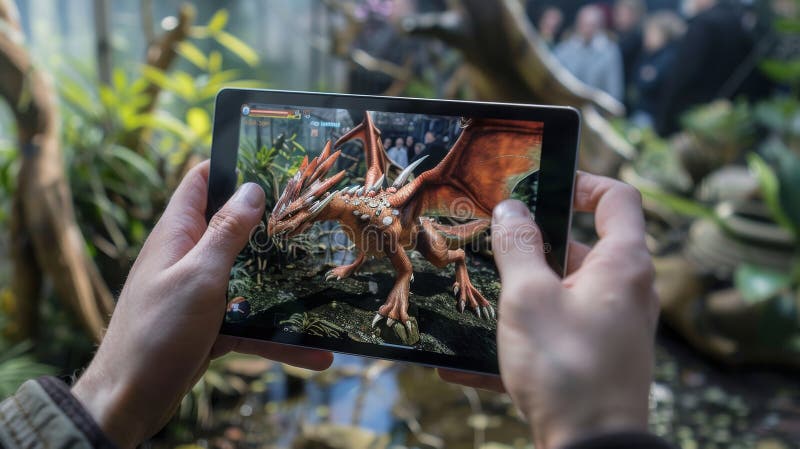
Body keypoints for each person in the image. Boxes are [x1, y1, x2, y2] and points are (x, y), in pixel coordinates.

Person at [0, 162, 668, 449]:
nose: (328, 212)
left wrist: (107, 399)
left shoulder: (377, 213)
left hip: (423, 238)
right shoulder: (346, 211)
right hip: (377, 231)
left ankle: (465, 267)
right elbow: (354, 234)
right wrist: (601, 425)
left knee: (442, 254)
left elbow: (400, 254)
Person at [654, 0, 759, 136]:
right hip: (719, 120)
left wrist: (663, 121)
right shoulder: (741, 25)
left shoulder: (705, 23)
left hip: (686, 116)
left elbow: (683, 74)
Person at [554, 5, 624, 101]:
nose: (587, 29)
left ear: (599, 27)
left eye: (592, 25)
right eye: (584, 24)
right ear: (577, 25)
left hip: (597, 109)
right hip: (567, 104)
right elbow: (555, 83)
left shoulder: (610, 52)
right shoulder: (563, 49)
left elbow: (614, 91)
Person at [630, 12, 686, 128]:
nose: (647, 37)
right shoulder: (649, 55)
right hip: (641, 111)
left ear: (664, 35)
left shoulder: (668, 58)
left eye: (651, 33)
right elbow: (637, 78)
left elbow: (648, 83)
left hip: (650, 117)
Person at [613, 0, 646, 109]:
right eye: (618, 13)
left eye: (623, 14)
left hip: (628, 89)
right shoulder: (619, 35)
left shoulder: (638, 38)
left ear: (635, 15)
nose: (618, 18)